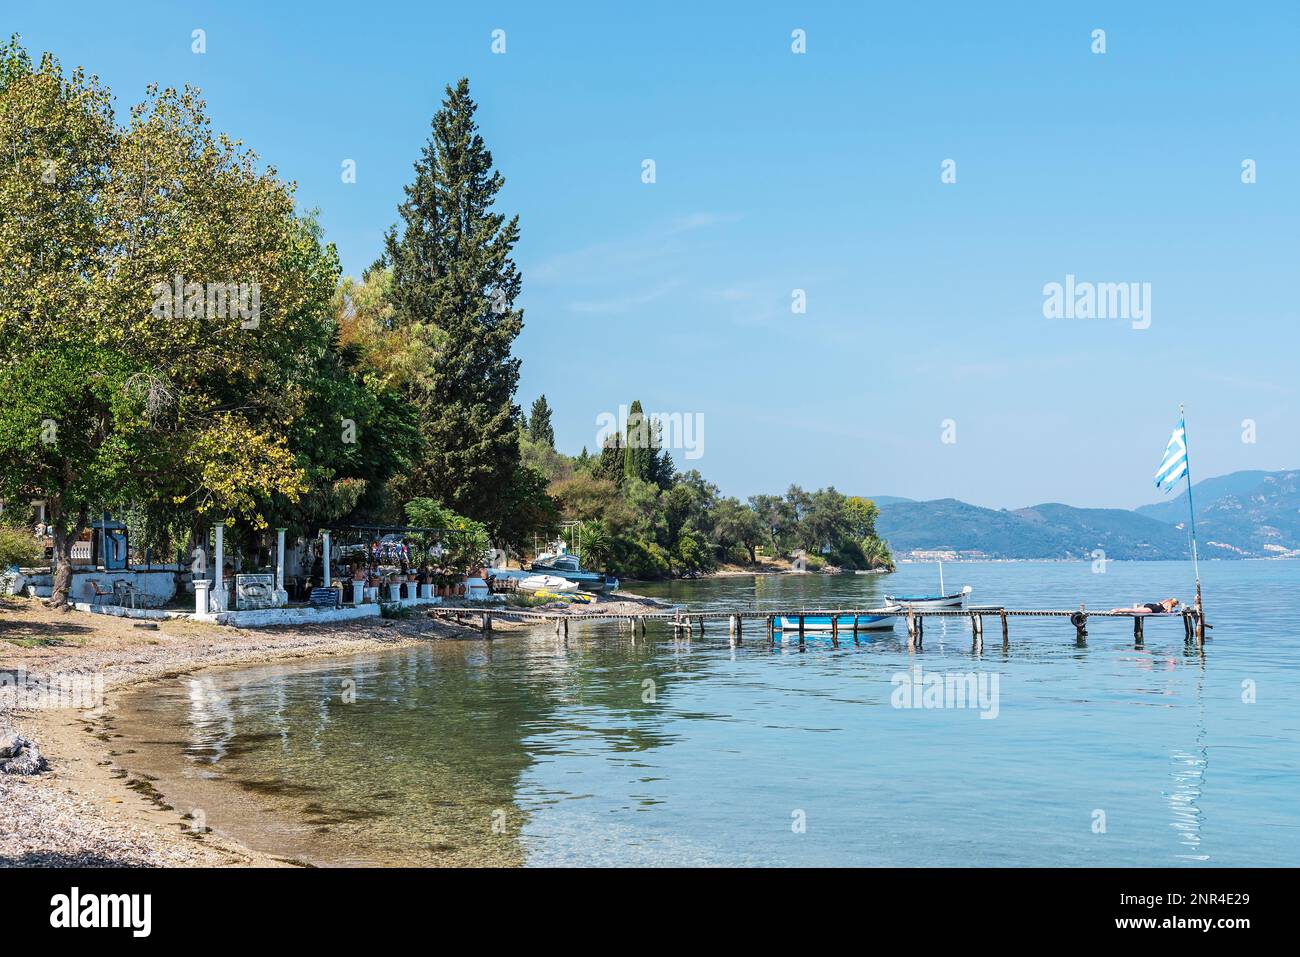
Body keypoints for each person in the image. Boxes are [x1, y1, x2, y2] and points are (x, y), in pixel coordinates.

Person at [1111, 597, 1179, 614]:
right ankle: (1117, 610)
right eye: (1175, 604)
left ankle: (1119, 610)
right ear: (1174, 603)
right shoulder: (1170, 604)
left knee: (1134, 609)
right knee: (1133, 611)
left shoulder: (1166, 600)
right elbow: (1169, 612)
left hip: (1150, 605)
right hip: (1151, 609)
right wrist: (1172, 612)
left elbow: (1160, 605)